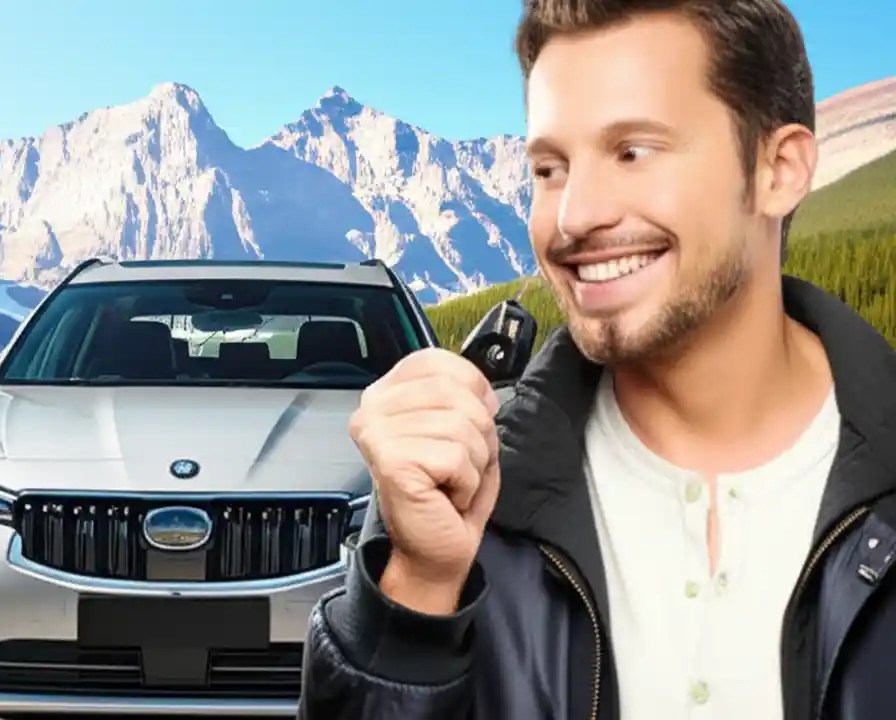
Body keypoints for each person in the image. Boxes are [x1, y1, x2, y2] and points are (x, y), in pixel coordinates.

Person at [297, 1, 896, 718]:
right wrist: (417, 594)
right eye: (549, 168)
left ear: (779, 169)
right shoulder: (453, 491)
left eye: (632, 152)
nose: (574, 217)